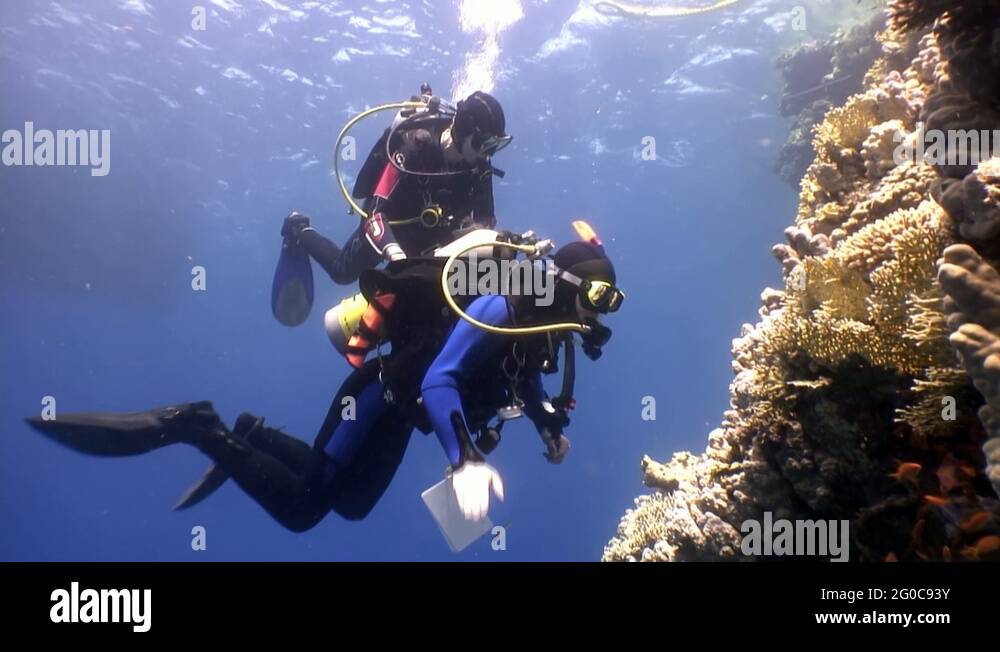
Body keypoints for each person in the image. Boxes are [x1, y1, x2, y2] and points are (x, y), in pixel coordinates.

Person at [26, 234, 624, 531]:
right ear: (565, 281)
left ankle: (251, 431)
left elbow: (519, 385)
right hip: (377, 395)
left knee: (353, 506)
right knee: (305, 508)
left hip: (399, 414)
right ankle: (197, 425)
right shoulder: (500, 305)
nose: (598, 316)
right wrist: (464, 458)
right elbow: (441, 381)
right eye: (598, 297)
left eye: (608, 305)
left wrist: (547, 426)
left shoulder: (545, 332)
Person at [286, 89, 511, 285]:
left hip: (434, 237)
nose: (487, 153)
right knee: (342, 272)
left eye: (495, 146)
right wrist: (397, 257)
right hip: (389, 226)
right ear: (463, 130)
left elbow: (486, 226)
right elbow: (375, 213)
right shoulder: (415, 147)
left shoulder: (479, 167)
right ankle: (298, 229)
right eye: (483, 143)